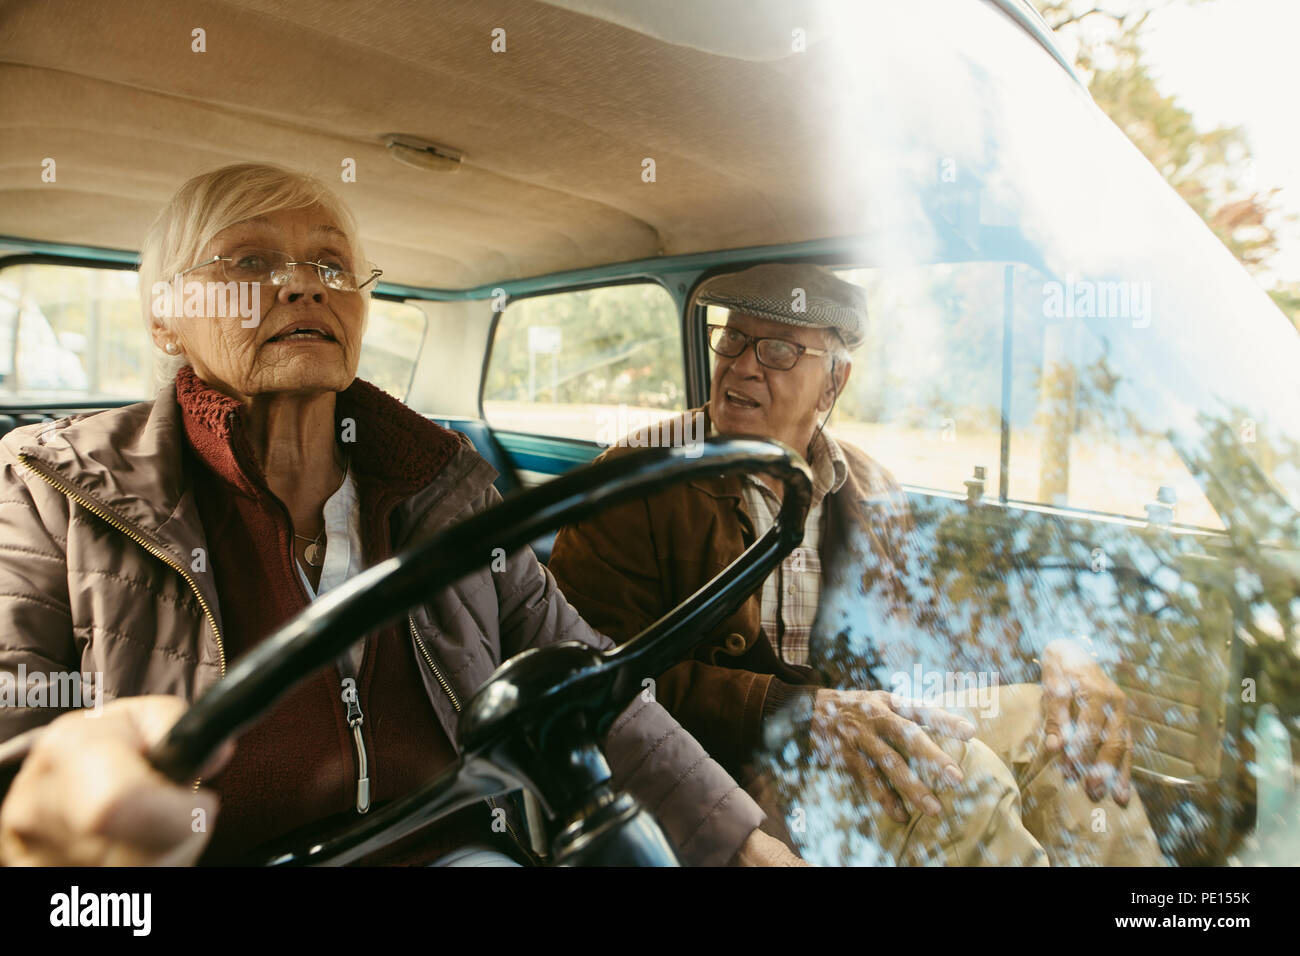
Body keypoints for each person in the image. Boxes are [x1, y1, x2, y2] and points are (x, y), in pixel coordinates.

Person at [0, 163, 801, 867]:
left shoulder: (448, 493)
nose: (305, 284)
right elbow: (19, 736)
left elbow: (584, 677)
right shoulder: (54, 489)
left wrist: (733, 838)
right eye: (250, 261)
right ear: (163, 317)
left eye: (331, 265)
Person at [549, 262, 1164, 865]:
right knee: (955, 772)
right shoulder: (636, 478)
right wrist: (801, 713)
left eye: (779, 350)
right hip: (717, 772)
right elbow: (594, 682)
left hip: (855, 729)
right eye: (733, 337)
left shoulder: (872, 487)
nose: (740, 364)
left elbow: (929, 626)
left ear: (834, 383)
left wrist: (1057, 649)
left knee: (1054, 727)